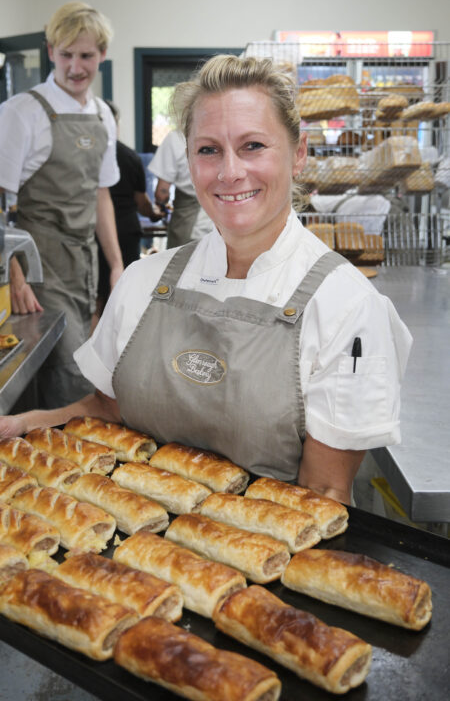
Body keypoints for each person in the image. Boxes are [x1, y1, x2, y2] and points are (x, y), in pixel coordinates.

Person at [0, 55, 412, 505]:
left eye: (253, 145)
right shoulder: (143, 281)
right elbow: (105, 412)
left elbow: (322, 493)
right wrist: (28, 423)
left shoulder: (346, 307)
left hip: (264, 560)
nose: (229, 171)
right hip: (135, 558)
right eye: (208, 149)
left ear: (298, 153)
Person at [0, 1, 124, 407]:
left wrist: (116, 265)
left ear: (102, 56)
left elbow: (99, 194)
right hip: (39, 264)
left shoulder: (104, 115)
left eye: (86, 55)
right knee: (65, 373)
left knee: (86, 364)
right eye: (66, 54)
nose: (76, 66)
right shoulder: (22, 112)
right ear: (50, 51)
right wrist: (14, 274)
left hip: (83, 263)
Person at [95, 100, 163, 317]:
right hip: (124, 230)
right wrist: (153, 214)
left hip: (96, 232)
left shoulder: (91, 156)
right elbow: (141, 202)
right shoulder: (129, 156)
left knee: (97, 296)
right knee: (124, 294)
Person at [151, 129, 213, 247]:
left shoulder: (176, 138)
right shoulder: (225, 132)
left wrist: (161, 205)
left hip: (186, 224)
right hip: (223, 226)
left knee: (183, 263)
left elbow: (161, 193)